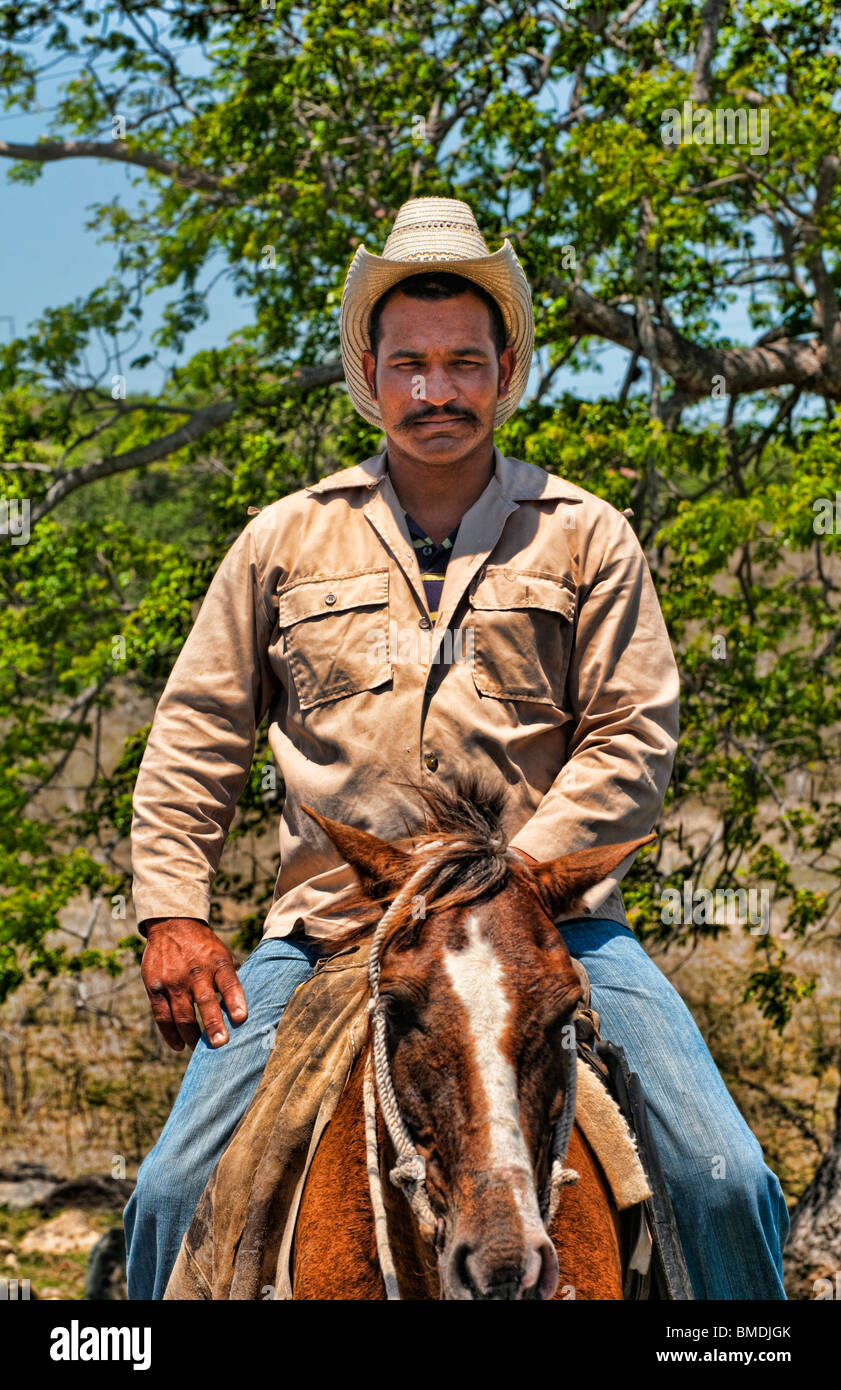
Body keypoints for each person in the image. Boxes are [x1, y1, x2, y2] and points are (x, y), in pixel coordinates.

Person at [124, 197, 789, 1300]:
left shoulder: (584, 536)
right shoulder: (284, 539)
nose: (436, 391)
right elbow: (196, 730)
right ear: (370, 374)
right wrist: (172, 910)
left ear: (506, 370)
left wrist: (502, 892)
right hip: (333, 928)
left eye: (463, 363)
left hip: (549, 929)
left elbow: (632, 735)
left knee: (722, 1175)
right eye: (410, 365)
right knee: (166, 1193)